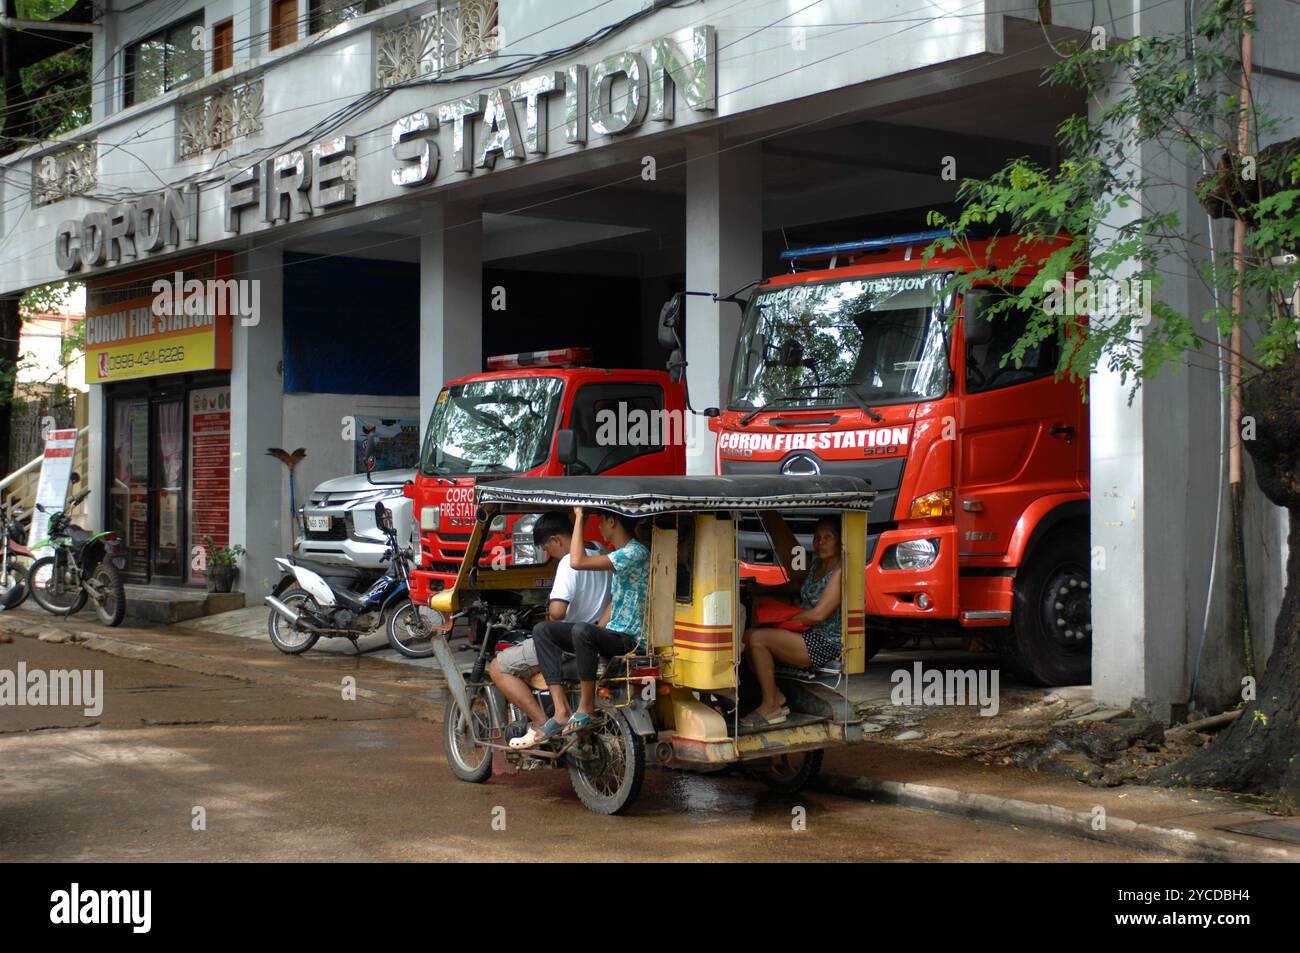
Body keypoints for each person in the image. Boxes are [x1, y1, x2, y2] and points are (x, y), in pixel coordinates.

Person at [529, 505, 650, 741]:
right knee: (542, 630)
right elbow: (614, 603)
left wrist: (579, 516)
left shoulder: (634, 553)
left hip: (631, 639)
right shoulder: (619, 553)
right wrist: (598, 631)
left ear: (612, 521)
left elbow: (576, 561)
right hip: (614, 633)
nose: (600, 527)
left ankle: (585, 708)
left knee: (582, 629)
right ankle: (561, 710)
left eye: (601, 520)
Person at [492, 512, 610, 750]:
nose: (550, 554)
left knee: (498, 667)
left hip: (566, 640)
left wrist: (547, 612)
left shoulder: (569, 562)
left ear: (556, 540)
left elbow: (557, 612)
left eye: (547, 548)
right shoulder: (601, 552)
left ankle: (540, 722)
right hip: (595, 635)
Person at [739, 516, 843, 728]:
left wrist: (788, 619)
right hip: (805, 632)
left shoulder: (841, 571)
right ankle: (774, 694)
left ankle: (771, 706)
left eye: (828, 537)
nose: (821, 542)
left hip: (823, 641)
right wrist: (759, 589)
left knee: (758, 639)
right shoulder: (817, 566)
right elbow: (796, 587)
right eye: (817, 537)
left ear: (839, 541)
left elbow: (818, 615)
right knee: (749, 635)